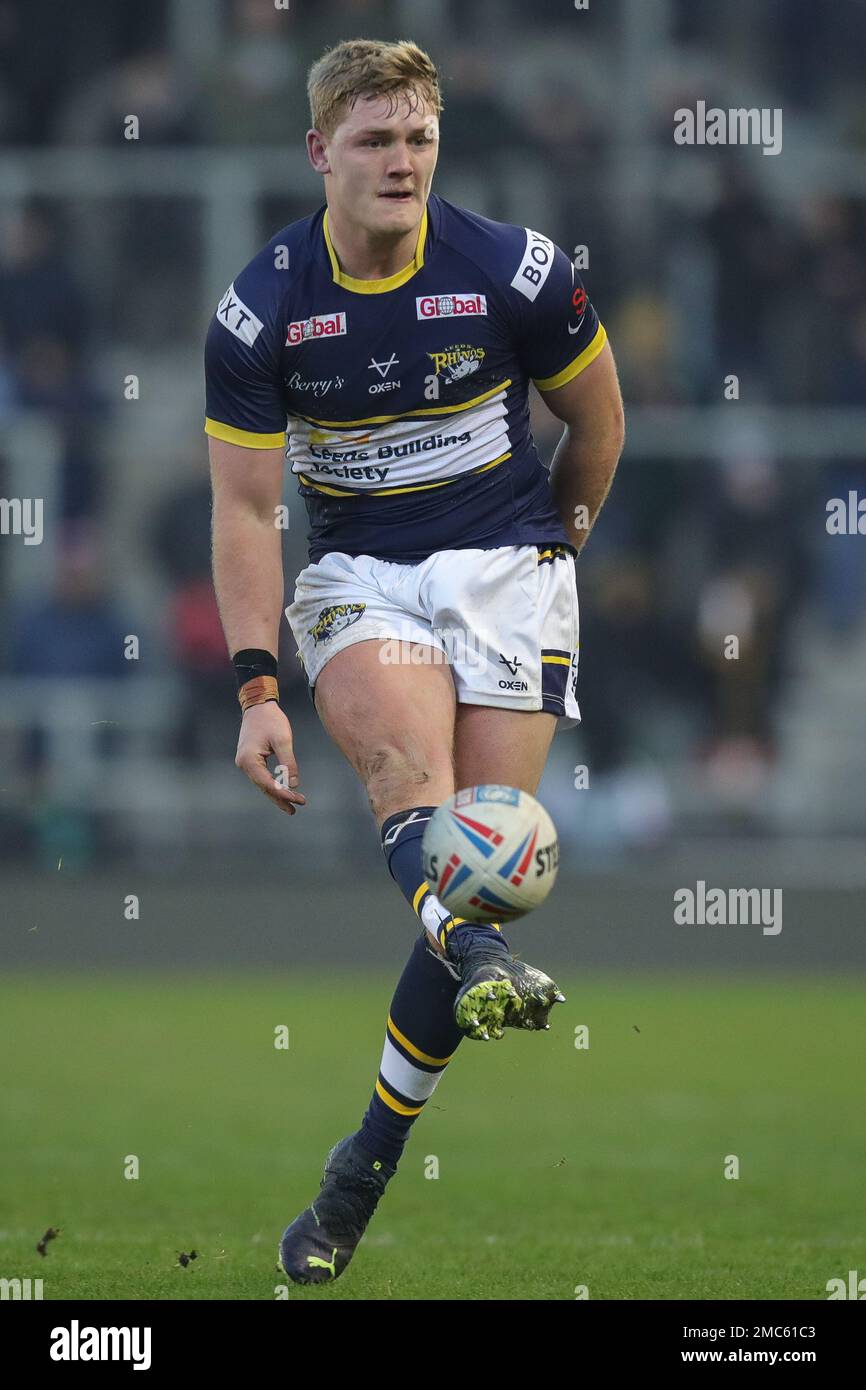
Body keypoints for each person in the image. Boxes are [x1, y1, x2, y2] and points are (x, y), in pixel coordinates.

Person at [205, 38, 624, 1286]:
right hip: (359, 575)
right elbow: (241, 510)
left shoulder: (513, 266)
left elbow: (596, 418)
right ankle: (475, 951)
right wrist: (255, 685)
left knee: (480, 876)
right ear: (319, 150)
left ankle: (356, 1174)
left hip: (507, 562)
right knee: (418, 794)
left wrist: (566, 540)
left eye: (419, 139)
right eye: (376, 139)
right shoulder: (264, 303)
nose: (401, 162)